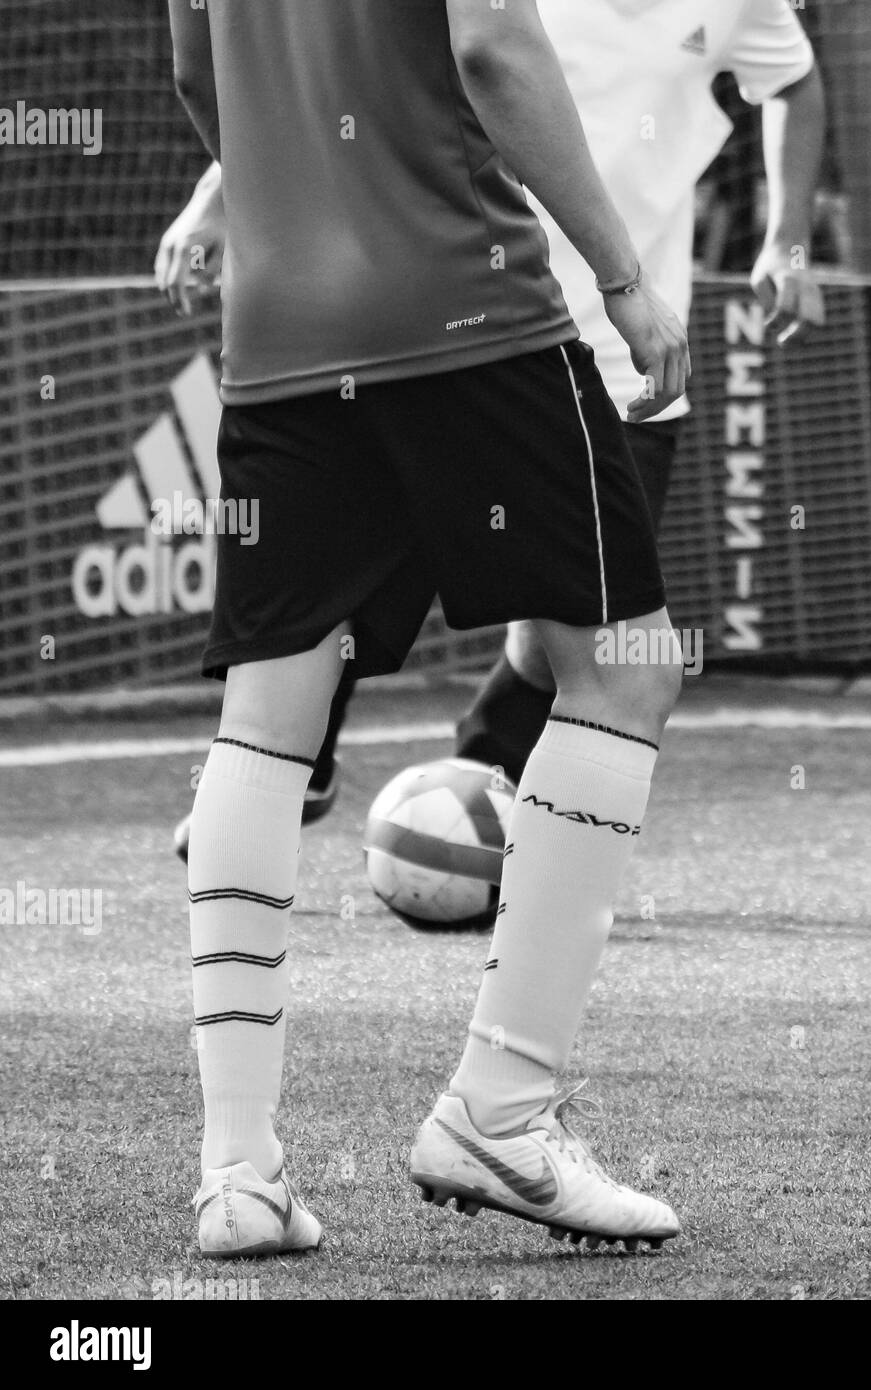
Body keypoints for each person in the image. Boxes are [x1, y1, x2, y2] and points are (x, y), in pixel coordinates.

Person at [169, 0, 692, 1257]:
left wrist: (301, 206)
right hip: (470, 310)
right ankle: (501, 1110)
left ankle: (238, 1172)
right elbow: (495, 44)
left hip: (283, 328)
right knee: (626, 669)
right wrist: (625, 277)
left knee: (264, 723)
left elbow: (200, 74)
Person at [160, 0, 825, 856]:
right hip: (478, 322)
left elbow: (796, 85)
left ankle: (469, 796)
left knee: (564, 645)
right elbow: (394, 71)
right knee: (358, 611)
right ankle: (323, 774)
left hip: (618, 354)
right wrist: (226, 193)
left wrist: (788, 239)